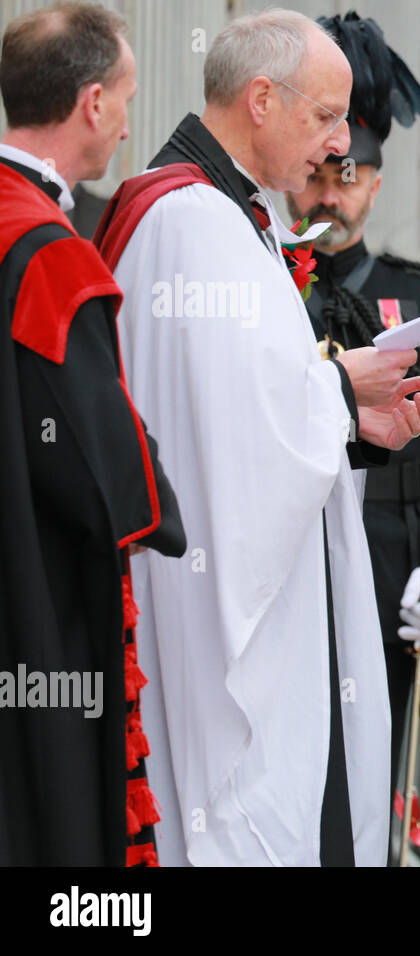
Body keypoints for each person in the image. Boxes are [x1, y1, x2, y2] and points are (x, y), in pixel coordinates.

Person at [94, 9, 420, 867]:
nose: (335, 145)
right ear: (259, 100)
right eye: (325, 117)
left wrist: (352, 424)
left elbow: (242, 409)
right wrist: (336, 386)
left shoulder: (226, 216)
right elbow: (221, 432)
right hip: (214, 596)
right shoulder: (193, 223)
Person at [284, 10, 420, 833]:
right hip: (287, 562)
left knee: (375, 792)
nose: (333, 195)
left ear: (375, 180)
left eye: (352, 177)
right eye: (322, 175)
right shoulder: (263, 278)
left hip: (389, 569)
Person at [0, 0, 186, 867]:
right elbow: (97, 468)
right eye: (126, 94)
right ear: (91, 103)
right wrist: (163, 505)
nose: (125, 118)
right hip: (34, 599)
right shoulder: (49, 253)